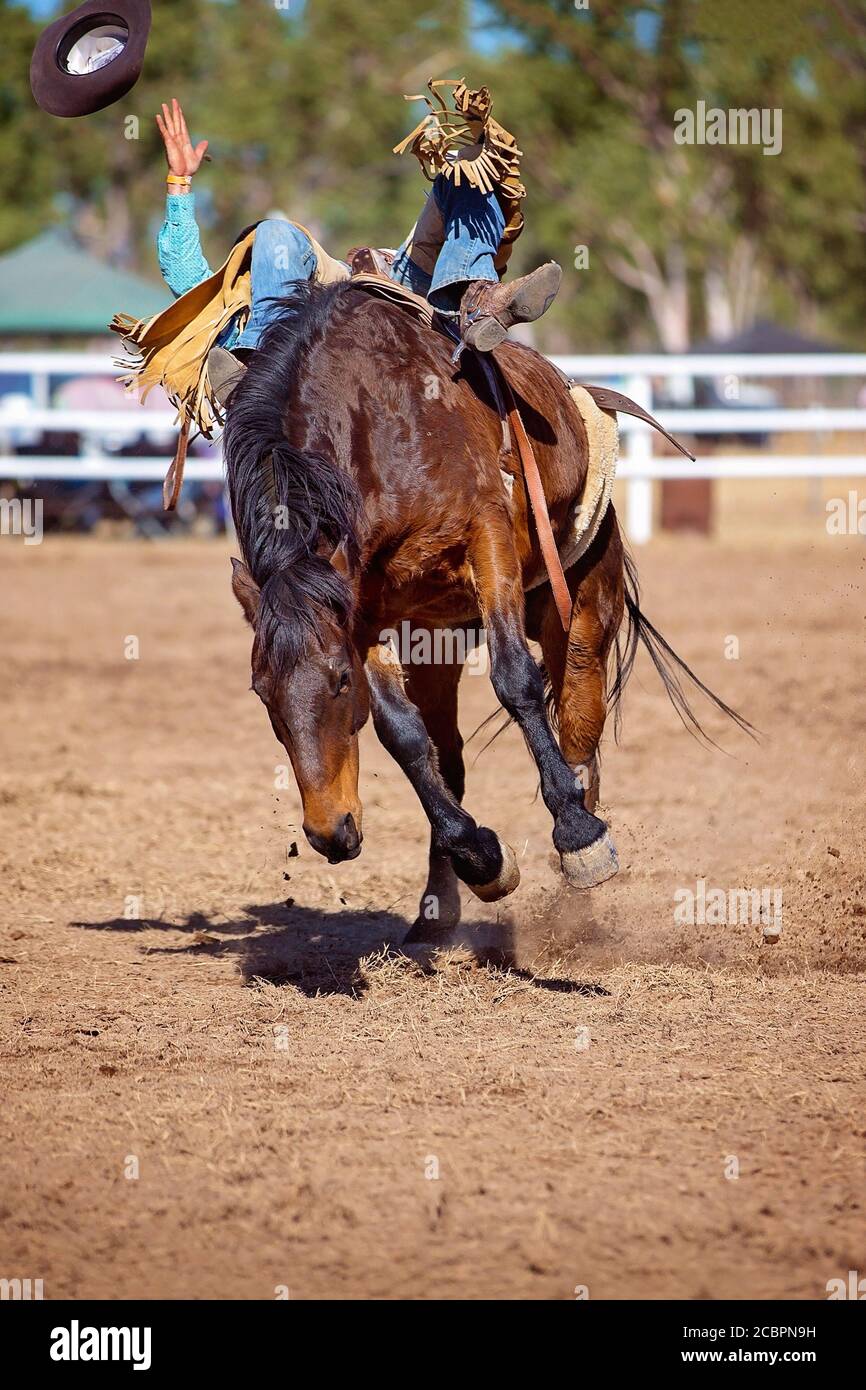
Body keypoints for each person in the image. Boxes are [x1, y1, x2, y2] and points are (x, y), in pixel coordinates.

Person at [155, 96, 561, 403]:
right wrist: (179, 182)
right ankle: (263, 363)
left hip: (392, 283)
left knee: (466, 170)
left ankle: (478, 298)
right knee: (274, 231)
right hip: (317, 307)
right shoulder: (241, 310)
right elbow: (186, 276)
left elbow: (184, 273)